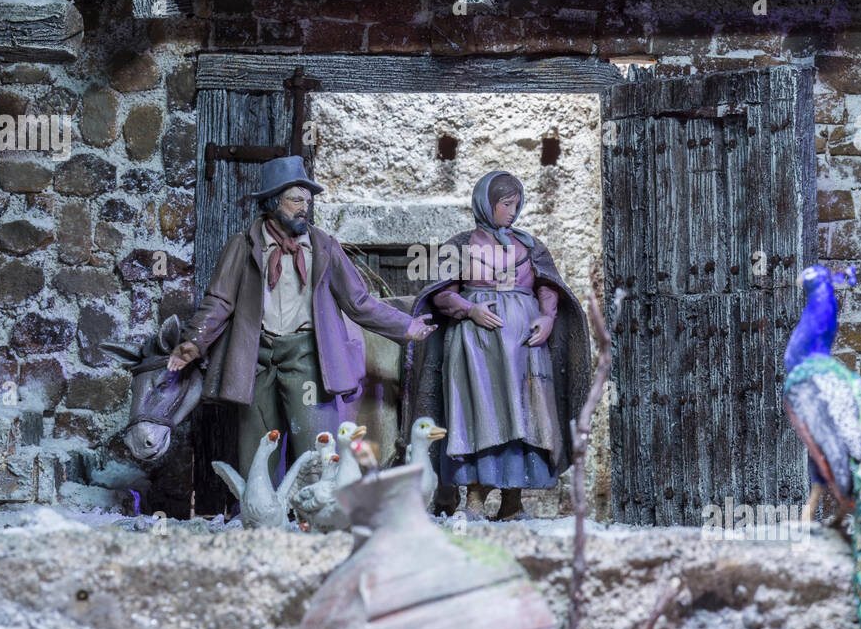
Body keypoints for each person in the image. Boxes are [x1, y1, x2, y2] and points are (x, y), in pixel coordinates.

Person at [168, 156, 436, 483]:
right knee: (258, 450)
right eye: (295, 200)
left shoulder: (323, 248)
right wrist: (193, 342)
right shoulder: (244, 246)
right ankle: (262, 519)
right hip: (258, 358)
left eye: (307, 201)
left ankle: (319, 511)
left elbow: (359, 301)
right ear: (271, 202)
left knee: (316, 443)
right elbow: (220, 300)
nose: (303, 208)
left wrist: (406, 326)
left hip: (306, 356)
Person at [404, 171, 589, 520]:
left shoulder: (530, 246)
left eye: (516, 205)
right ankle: (473, 498)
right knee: (479, 414)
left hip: (524, 349)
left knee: (525, 417)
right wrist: (470, 309)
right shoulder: (461, 246)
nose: (512, 212)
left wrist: (548, 318)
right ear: (486, 204)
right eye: (505, 204)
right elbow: (442, 294)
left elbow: (548, 287)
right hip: (476, 349)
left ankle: (512, 501)